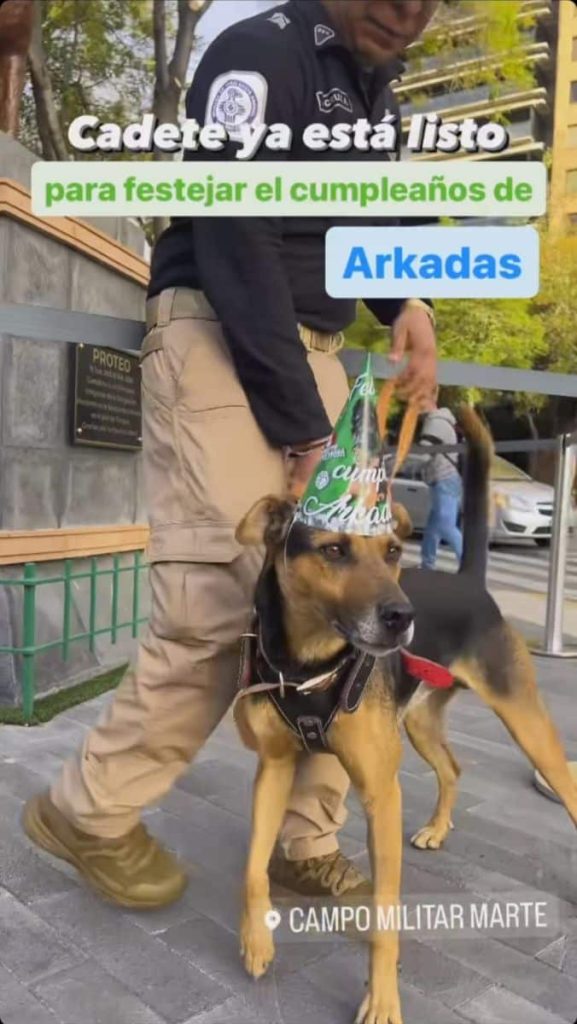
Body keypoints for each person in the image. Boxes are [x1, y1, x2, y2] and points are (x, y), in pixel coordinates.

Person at [23, 0, 441, 909]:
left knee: (349, 609)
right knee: (215, 609)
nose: (409, 8)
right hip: (220, 335)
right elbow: (236, 229)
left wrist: (412, 299)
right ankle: (86, 813)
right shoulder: (260, 52)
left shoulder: (373, 95)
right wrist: (304, 427)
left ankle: (305, 838)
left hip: (318, 357)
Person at [420, 388, 464, 570]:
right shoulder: (439, 420)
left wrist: (403, 463)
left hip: (444, 479)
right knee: (433, 528)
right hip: (446, 479)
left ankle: (467, 563)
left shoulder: (435, 423)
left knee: (446, 526)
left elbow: (424, 452)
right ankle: (427, 564)